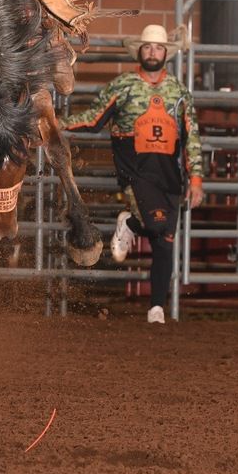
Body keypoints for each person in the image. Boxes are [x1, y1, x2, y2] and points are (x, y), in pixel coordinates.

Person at [62, 25, 204, 324]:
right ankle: (129, 223)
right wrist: (57, 124)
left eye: (158, 47)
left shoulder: (179, 92)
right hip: (136, 169)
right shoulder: (123, 85)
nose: (153, 52)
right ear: (139, 51)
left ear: (165, 53)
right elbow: (93, 119)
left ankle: (156, 308)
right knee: (157, 224)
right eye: (148, 47)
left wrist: (196, 179)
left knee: (165, 239)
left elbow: (191, 137)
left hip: (169, 172)